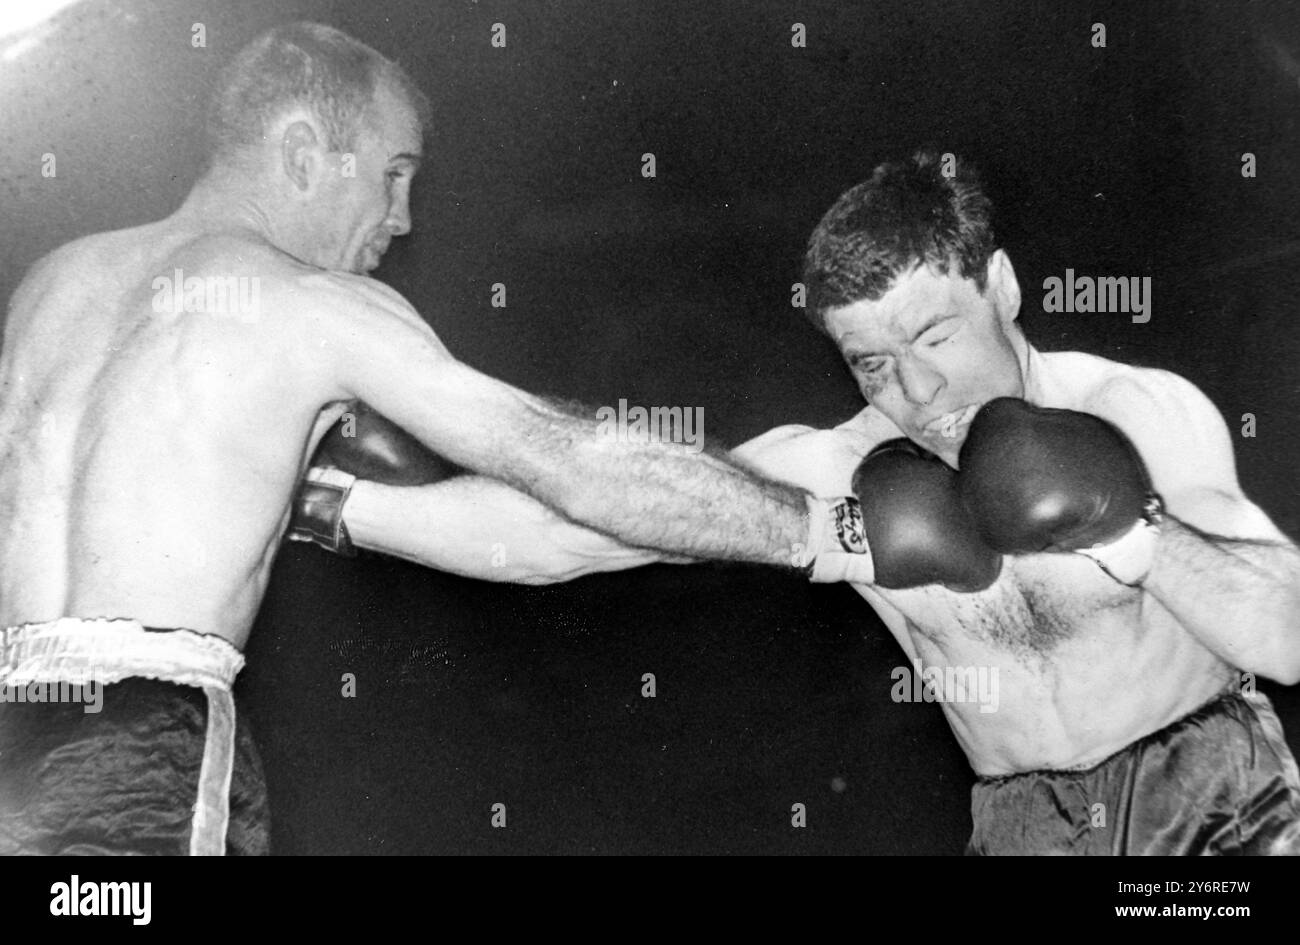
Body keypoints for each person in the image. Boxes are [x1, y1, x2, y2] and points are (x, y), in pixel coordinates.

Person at [0, 22, 873, 856]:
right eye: (392, 172)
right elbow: (563, 462)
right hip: (140, 755)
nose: (405, 216)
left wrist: (332, 504)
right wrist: (822, 531)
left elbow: (504, 542)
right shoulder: (318, 311)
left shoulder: (54, 284)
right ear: (305, 153)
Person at [305, 152, 1300, 854]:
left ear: (999, 285)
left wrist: (1139, 530)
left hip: (1212, 797)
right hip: (1021, 823)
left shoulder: (1128, 412)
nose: (916, 393)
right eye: (873, 361)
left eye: (937, 336)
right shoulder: (838, 471)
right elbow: (560, 537)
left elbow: (1288, 635)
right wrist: (332, 505)